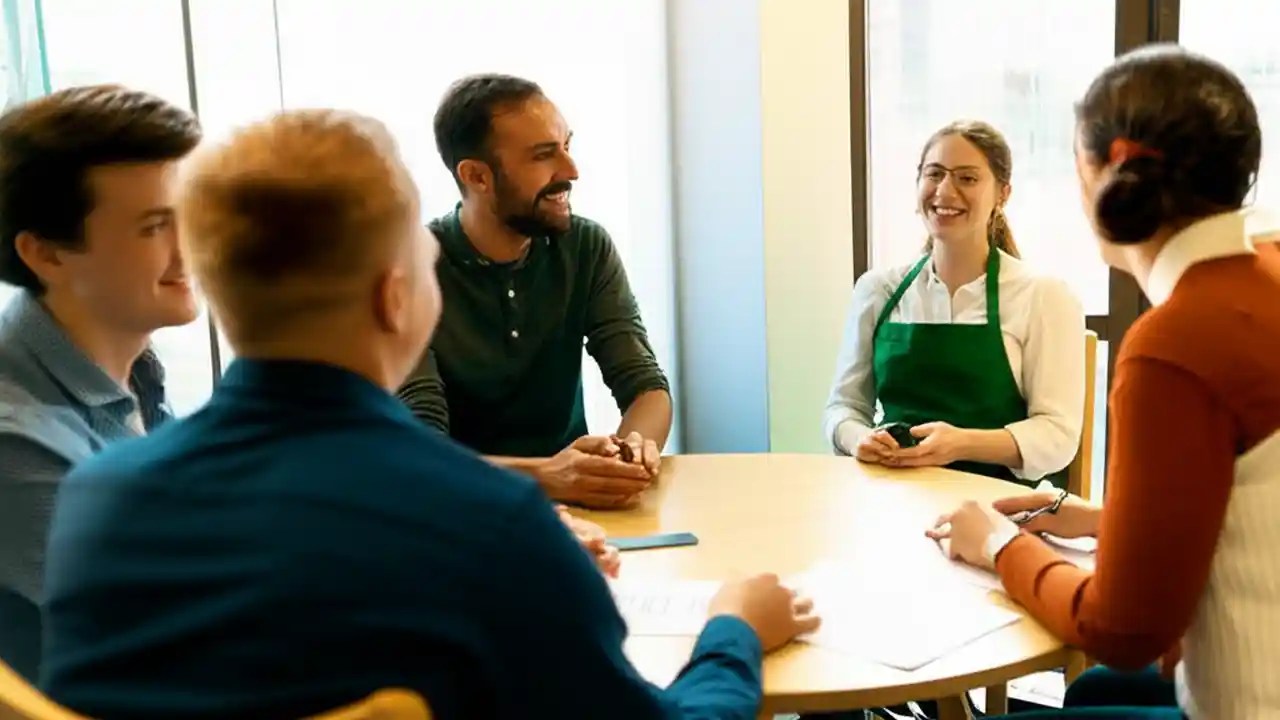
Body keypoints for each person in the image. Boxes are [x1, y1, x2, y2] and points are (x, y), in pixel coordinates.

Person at [40, 108, 820, 719]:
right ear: (396, 295)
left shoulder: (99, 497)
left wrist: (536, 580)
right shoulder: (491, 526)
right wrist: (735, 631)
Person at [930, 45, 1280, 720]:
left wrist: (1000, 545)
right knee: (1093, 693)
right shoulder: (1265, 271)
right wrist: (1098, 522)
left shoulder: (1174, 346)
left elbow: (1122, 631)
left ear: (1100, 177)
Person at [0, 85, 202, 680]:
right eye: (154, 227)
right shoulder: (19, 446)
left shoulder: (134, 366)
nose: (191, 247)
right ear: (46, 254)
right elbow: (163, 647)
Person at [397, 73, 672, 509]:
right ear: (476, 176)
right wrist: (548, 476)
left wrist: (627, 456)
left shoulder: (586, 246)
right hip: (460, 510)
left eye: (567, 146)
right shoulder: (411, 268)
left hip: (576, 513)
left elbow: (646, 387)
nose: (571, 171)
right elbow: (423, 448)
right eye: (545, 155)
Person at [823, 120, 1086, 488]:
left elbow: (1057, 436)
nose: (945, 190)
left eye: (967, 178)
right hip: (889, 500)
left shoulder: (1043, 296)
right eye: (935, 174)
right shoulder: (878, 290)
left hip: (1000, 514)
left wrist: (961, 443)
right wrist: (858, 439)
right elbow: (844, 408)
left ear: (1003, 194)